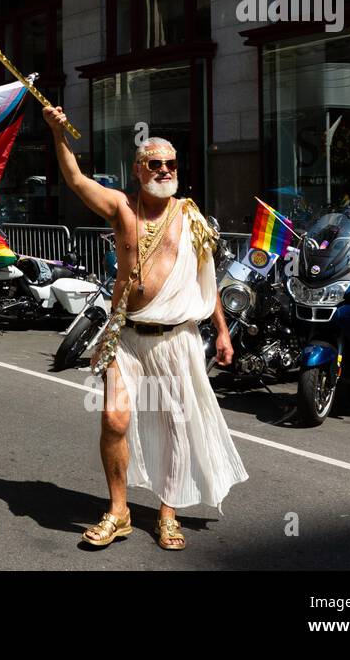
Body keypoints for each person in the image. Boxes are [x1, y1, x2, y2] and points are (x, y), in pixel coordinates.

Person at [45, 107, 247, 551]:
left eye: (170, 164)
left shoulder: (192, 217)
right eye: (154, 164)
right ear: (137, 171)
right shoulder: (121, 208)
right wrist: (58, 133)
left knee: (174, 425)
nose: (164, 170)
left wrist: (223, 331)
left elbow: (206, 280)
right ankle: (118, 511)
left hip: (177, 338)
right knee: (114, 418)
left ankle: (168, 513)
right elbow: (77, 181)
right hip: (127, 336)